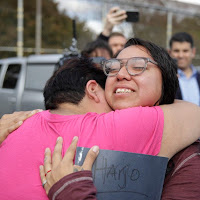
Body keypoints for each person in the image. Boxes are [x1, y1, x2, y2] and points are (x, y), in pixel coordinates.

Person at [0, 38, 200, 199]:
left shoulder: (189, 160)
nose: (121, 74)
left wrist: (70, 191)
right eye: (113, 68)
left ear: (166, 81)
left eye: (138, 66)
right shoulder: (113, 127)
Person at [169, 32, 200, 106]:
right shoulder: (165, 79)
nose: (180, 55)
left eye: (185, 51)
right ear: (169, 52)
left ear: (193, 52)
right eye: (176, 51)